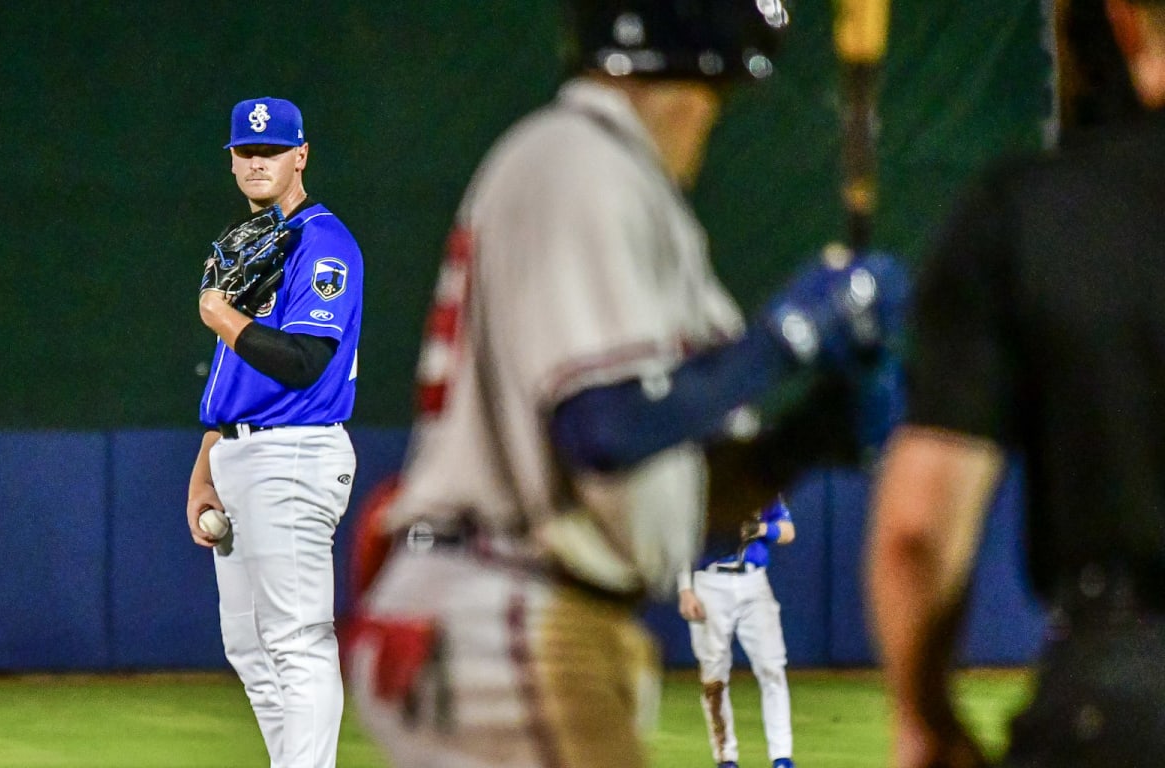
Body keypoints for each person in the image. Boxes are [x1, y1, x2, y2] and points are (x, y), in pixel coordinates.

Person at [344, 2, 904, 766]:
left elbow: (680, 492)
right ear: (687, 75)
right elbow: (601, 431)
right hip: (509, 600)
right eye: (722, 96)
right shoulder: (577, 159)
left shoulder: (630, 195)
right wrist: (788, 339)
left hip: (520, 604)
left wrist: (811, 436)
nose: (714, 118)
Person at [866, 1, 1165, 765]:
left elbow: (915, 533)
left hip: (1121, 698)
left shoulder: (1034, 209)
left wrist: (928, 721)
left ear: (1125, 25)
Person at [187, 96, 364, 768]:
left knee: (296, 641)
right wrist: (206, 469)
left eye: (272, 150)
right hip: (242, 452)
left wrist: (222, 316)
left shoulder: (323, 242)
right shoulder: (254, 244)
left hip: (295, 451)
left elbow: (302, 362)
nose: (257, 161)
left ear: (301, 155)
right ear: (232, 160)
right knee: (251, 648)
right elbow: (238, 384)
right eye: (246, 152)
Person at [679, 496, 798, 768]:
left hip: (754, 581)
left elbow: (788, 531)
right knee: (714, 676)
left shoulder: (761, 483)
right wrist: (685, 589)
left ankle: (782, 757)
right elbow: (681, 539)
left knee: (772, 667)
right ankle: (726, 758)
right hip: (709, 580)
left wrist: (762, 530)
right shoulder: (707, 480)